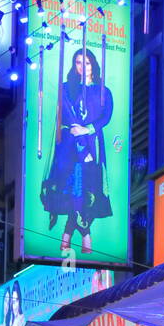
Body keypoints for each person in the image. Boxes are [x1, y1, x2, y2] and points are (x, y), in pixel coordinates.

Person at [40, 47, 114, 255]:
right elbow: (66, 115)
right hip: (70, 148)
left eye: (87, 62)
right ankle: (85, 237)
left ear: (94, 65)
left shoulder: (103, 91)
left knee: (87, 190)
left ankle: (67, 237)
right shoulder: (66, 88)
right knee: (76, 190)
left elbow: (106, 116)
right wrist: (78, 134)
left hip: (93, 144)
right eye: (79, 62)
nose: (83, 67)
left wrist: (88, 129)